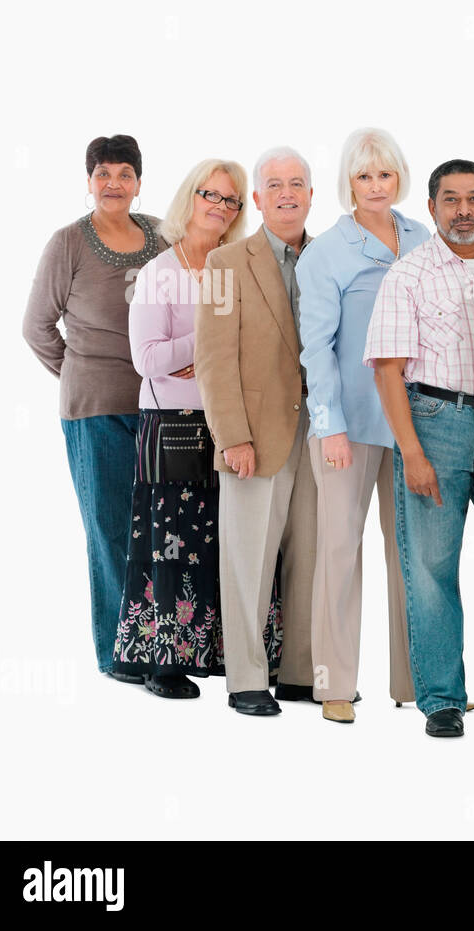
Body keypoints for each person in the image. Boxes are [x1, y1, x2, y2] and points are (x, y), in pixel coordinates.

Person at [112, 158, 281, 698]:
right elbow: (147, 358)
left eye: (231, 200)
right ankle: (165, 663)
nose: (220, 206)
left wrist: (206, 358)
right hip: (174, 424)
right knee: (173, 547)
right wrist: (208, 348)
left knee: (230, 544)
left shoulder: (235, 266)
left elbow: (253, 346)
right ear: (191, 197)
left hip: (232, 419)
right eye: (212, 194)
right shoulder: (160, 272)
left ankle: (237, 657)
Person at [366, 159, 474, 739]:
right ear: (431, 208)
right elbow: (387, 372)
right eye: (450, 199)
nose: (463, 210)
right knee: (431, 569)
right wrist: (412, 451)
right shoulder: (406, 275)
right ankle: (442, 699)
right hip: (435, 423)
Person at [296, 128, 428, 724]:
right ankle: (335, 684)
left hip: (413, 425)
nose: (376, 186)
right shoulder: (326, 252)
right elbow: (315, 349)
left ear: (399, 177)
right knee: (339, 552)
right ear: (349, 182)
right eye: (364, 176)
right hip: (347, 425)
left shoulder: (423, 240)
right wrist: (328, 426)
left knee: (414, 556)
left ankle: (419, 681)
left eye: (385, 175)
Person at [24, 134, 165, 681]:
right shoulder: (68, 243)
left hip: (159, 406)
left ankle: (159, 644)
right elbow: (36, 326)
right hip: (94, 409)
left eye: (124, 173)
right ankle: (117, 652)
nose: (113, 184)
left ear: (138, 181)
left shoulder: (159, 234)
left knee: (157, 529)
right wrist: (79, 372)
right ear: (89, 182)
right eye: (103, 174)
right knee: (109, 527)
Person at [195, 147, 321, 716]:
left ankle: (298, 672)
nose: (288, 192)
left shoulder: (329, 258)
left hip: (323, 433)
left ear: (312, 195)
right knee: (248, 559)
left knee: (313, 556)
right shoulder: (225, 264)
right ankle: (245, 678)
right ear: (259, 199)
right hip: (254, 434)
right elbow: (213, 360)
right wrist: (231, 437)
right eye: (276, 184)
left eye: (298, 183)